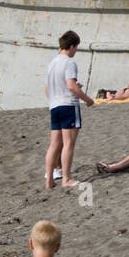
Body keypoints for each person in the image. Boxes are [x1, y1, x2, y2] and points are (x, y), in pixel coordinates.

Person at [44, 29, 94, 190]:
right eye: (76, 47)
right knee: (68, 144)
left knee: (54, 145)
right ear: (72, 46)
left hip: (54, 105)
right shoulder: (69, 62)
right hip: (68, 105)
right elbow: (71, 86)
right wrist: (87, 99)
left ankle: (49, 179)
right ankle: (66, 178)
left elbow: (47, 88)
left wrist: (56, 97)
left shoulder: (52, 63)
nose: (76, 51)